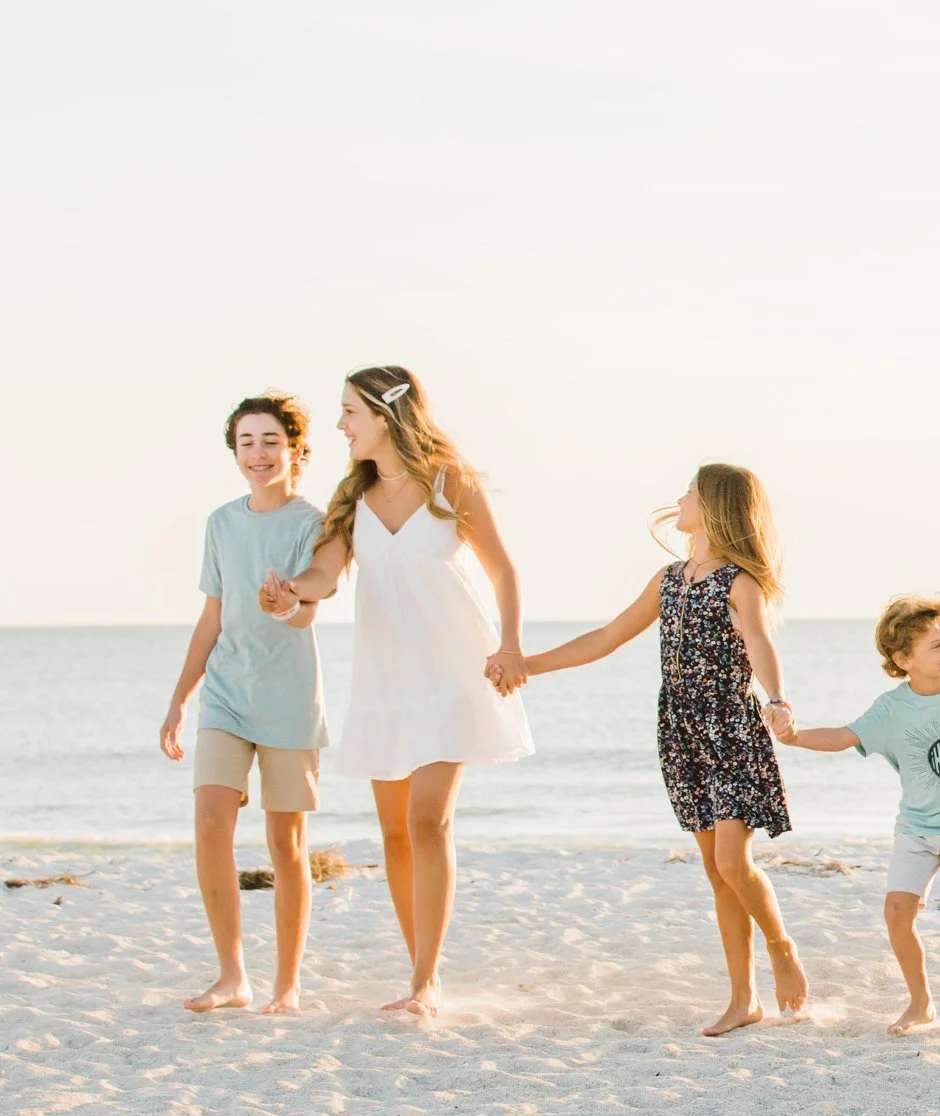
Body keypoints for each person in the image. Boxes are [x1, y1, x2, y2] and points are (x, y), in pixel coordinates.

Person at [260, 367, 531, 1020]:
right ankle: (418, 970)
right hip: (386, 681)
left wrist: (511, 645)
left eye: (350, 411)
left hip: (454, 673)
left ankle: (426, 981)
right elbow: (324, 573)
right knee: (394, 833)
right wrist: (291, 592)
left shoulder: (450, 482)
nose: (341, 425)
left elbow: (502, 569)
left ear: (385, 416)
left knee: (427, 820)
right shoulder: (352, 494)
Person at [523, 466, 810, 1036]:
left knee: (733, 862)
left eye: (689, 492)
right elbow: (606, 638)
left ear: (712, 506)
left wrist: (778, 700)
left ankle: (781, 947)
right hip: (681, 734)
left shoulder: (739, 582)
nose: (679, 500)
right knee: (716, 871)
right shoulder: (668, 580)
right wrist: (529, 665)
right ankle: (743, 998)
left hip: (729, 729)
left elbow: (759, 642)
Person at [774, 594, 940, 1035]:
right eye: (936, 645)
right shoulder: (891, 709)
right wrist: (794, 738)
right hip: (917, 829)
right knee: (896, 911)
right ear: (904, 660)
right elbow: (844, 736)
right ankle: (921, 1002)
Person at [158, 393, 328, 1014]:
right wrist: (180, 699)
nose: (258, 453)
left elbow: (308, 612)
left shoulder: (314, 524)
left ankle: (287, 984)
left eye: (270, 441)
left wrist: (286, 604)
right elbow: (212, 617)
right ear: (234, 452)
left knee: (286, 845)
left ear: (295, 450)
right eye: (246, 442)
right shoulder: (221, 523)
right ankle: (232, 976)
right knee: (210, 824)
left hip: (288, 700)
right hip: (225, 696)